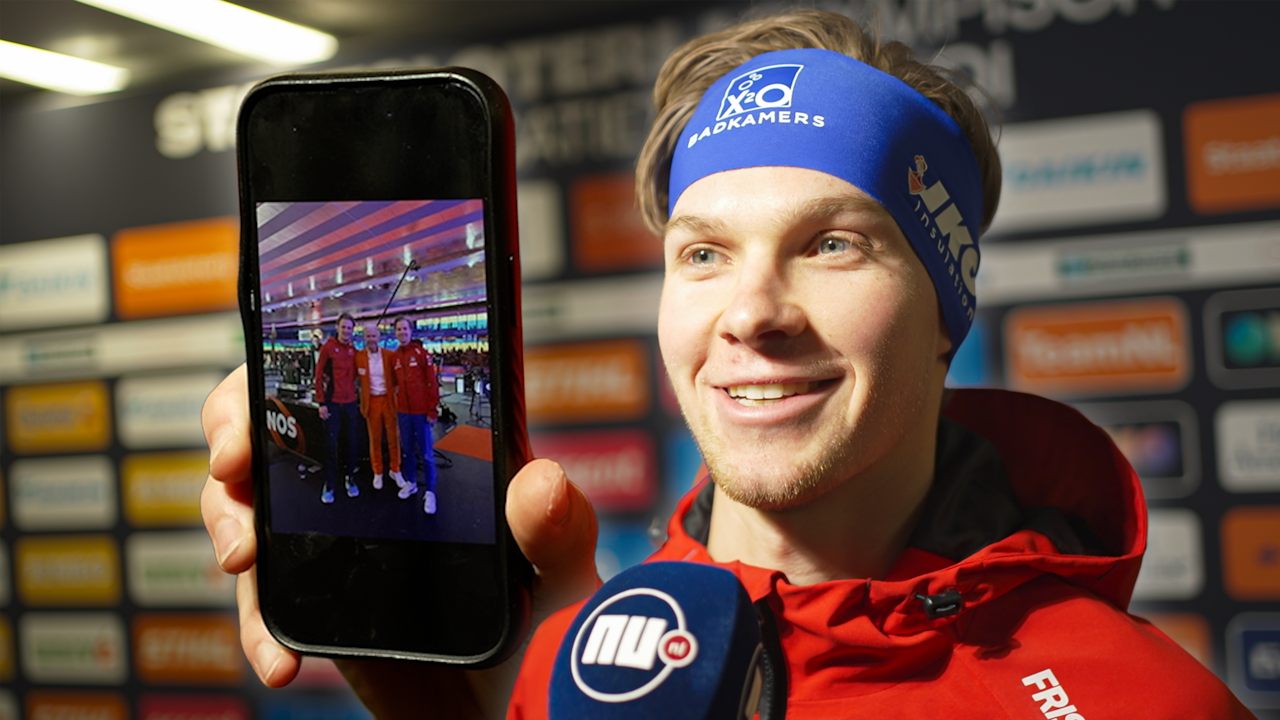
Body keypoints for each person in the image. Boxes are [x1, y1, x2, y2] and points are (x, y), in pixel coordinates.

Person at [202, 10, 1254, 719]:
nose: (749, 312)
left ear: (944, 309)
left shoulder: (1137, 697)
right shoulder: (562, 664)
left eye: (832, 242)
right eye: (702, 253)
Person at [392, 315, 441, 514]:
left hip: (421, 414)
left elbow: (432, 382)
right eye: (399, 329)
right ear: (395, 333)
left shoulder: (421, 354)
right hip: (403, 413)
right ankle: (411, 483)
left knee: (427, 455)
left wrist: (432, 409)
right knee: (407, 451)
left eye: (405, 329)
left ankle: (430, 492)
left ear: (410, 331)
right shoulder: (395, 357)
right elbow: (395, 383)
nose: (402, 332)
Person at [314, 312, 361, 504]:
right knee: (331, 446)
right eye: (343, 327)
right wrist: (322, 403)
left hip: (350, 404)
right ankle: (330, 484)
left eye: (350, 328)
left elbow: (361, 375)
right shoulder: (327, 348)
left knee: (351, 444)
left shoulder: (354, 351)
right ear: (337, 327)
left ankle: (350, 478)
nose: (346, 331)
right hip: (332, 404)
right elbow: (318, 377)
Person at [355, 322, 405, 491]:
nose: (371, 339)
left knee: (393, 438)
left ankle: (395, 469)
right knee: (374, 439)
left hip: (389, 401)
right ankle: (377, 471)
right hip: (372, 402)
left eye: (373, 336)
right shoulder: (359, 357)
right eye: (368, 336)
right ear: (364, 338)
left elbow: (399, 377)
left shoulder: (390, 356)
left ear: (379, 337)